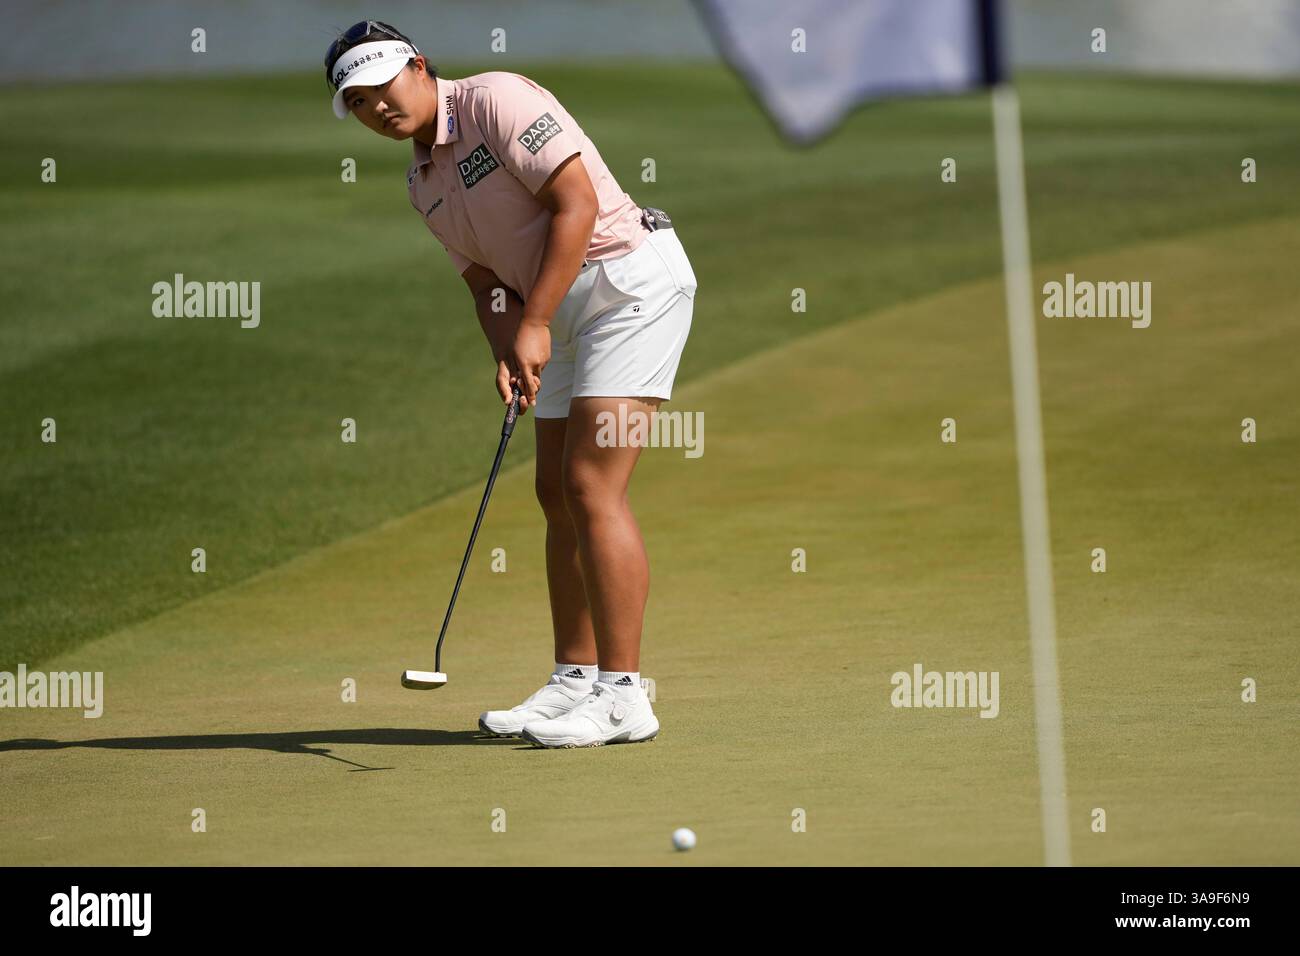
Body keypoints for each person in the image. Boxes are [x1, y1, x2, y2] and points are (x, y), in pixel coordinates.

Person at [325, 21, 697, 748]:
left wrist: (538, 323)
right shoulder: (422, 183)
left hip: (629, 286)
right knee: (554, 492)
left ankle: (625, 697)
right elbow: (485, 283)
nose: (377, 109)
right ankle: (574, 681)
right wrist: (508, 343)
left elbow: (578, 204)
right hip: (550, 307)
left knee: (593, 486)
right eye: (359, 103)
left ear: (419, 67)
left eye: (382, 88)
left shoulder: (496, 100)